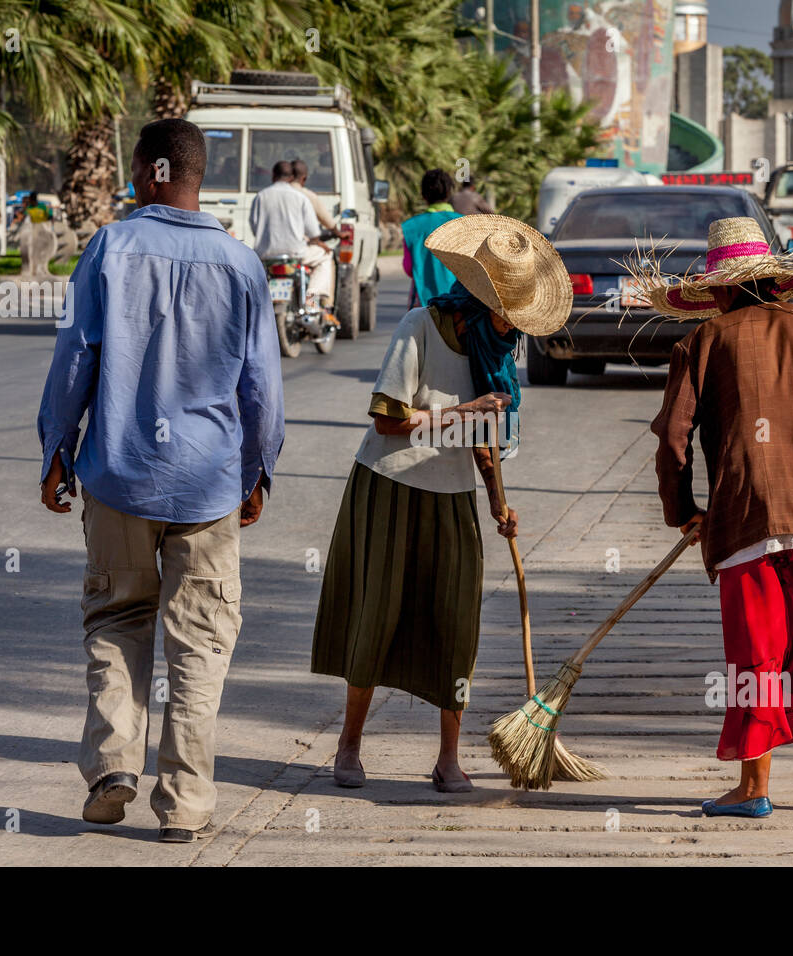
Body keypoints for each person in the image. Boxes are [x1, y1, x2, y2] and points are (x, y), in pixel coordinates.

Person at [37, 118, 285, 843]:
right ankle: (183, 805)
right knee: (200, 643)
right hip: (207, 484)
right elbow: (262, 389)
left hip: (117, 473)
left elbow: (76, 358)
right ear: (194, 176)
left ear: (150, 171)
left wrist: (58, 447)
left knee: (116, 618)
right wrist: (256, 471)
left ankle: (114, 765)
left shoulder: (111, 246)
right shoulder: (242, 264)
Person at [311, 215, 571, 793]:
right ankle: (349, 746)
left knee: (456, 628)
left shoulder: (495, 351)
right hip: (390, 489)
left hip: (453, 500)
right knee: (374, 618)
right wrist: (460, 413)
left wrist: (499, 503)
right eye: (511, 315)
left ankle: (448, 758)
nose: (515, 330)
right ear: (482, 300)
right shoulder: (419, 326)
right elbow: (386, 420)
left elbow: (487, 438)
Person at [645, 216, 793, 818]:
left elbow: (673, 439)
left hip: (743, 516)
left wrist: (684, 511)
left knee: (757, 655)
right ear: (774, 279)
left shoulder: (701, 341)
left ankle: (754, 790)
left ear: (719, 288)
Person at [249, 160, 333, 309]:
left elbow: (255, 227)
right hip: (296, 255)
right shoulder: (300, 198)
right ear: (292, 177)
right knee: (326, 256)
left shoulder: (261, 196)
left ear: (273, 176)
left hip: (266, 256)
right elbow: (313, 233)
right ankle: (311, 300)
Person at [400, 169, 462, 308]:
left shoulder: (412, 227)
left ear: (423, 195)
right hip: (459, 303)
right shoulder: (463, 223)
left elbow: (409, 268)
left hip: (424, 302)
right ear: (448, 193)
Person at [289, 159, 337, 232]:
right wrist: (338, 232)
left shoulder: (272, 194)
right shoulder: (308, 196)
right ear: (304, 178)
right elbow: (329, 223)